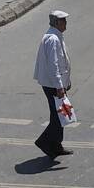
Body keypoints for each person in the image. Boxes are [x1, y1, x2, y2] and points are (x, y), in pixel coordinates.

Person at [32, 10, 72, 161]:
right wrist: (59, 87)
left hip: (55, 83)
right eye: (63, 21)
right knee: (58, 117)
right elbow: (53, 65)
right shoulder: (53, 39)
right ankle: (45, 142)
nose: (66, 23)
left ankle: (56, 145)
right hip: (53, 85)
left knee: (60, 115)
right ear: (56, 23)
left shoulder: (55, 36)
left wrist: (65, 82)